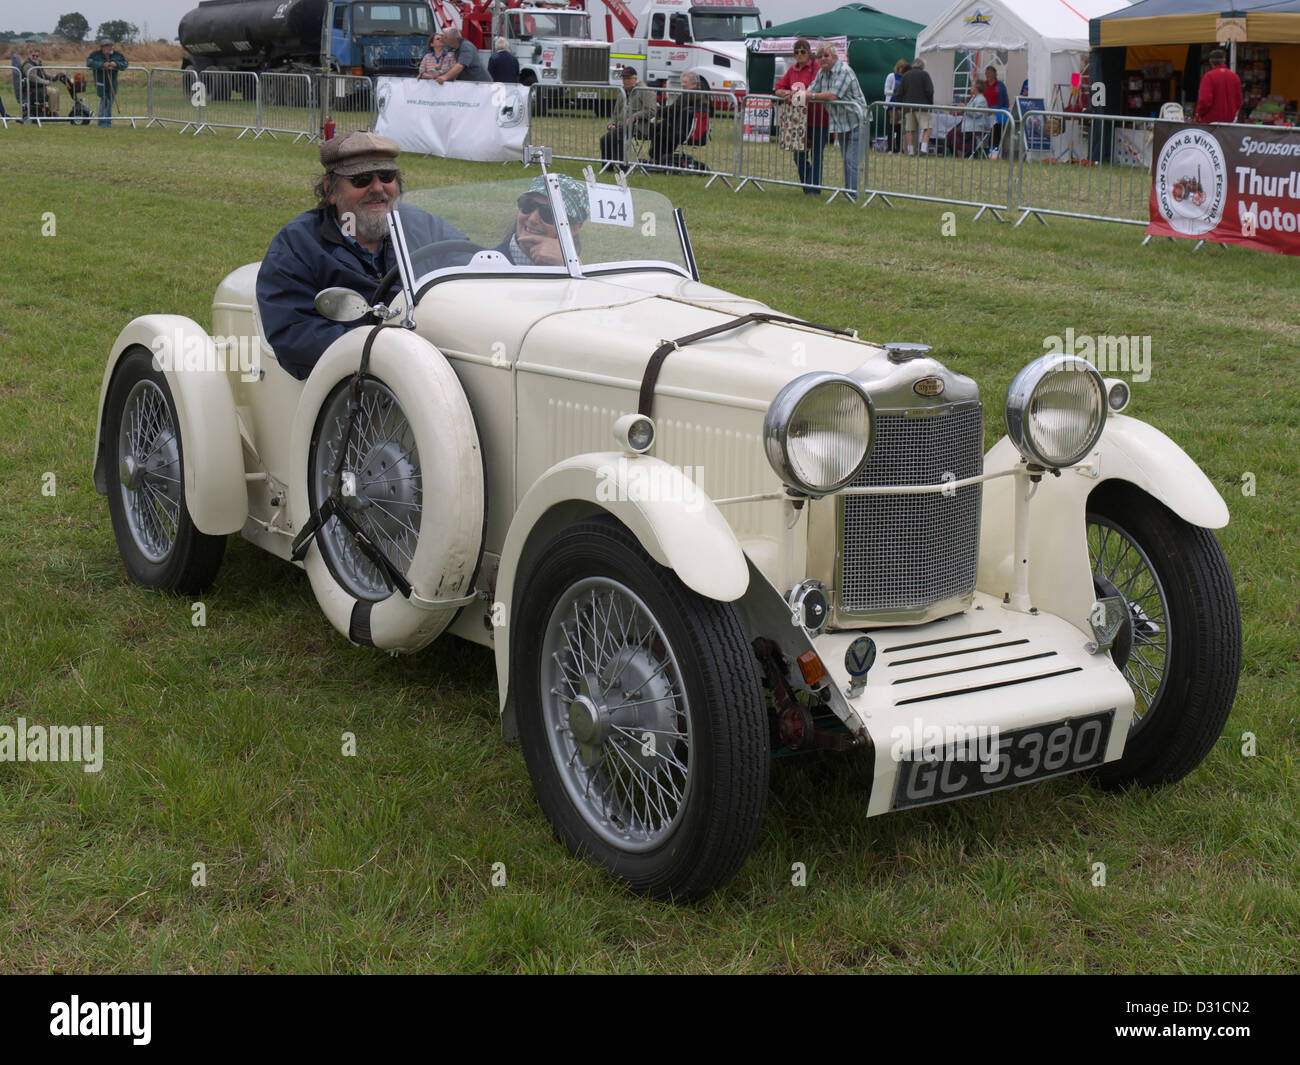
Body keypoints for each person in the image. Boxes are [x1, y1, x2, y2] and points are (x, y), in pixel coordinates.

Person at [255, 132, 468, 380]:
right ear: (330, 190)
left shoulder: (425, 227)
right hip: (351, 393)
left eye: (387, 177)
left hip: (438, 373)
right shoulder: (297, 245)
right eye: (361, 179)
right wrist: (383, 347)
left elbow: (470, 272)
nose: (377, 188)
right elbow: (293, 335)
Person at [808, 43, 867, 201]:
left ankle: (852, 195)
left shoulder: (844, 71)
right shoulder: (822, 73)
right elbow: (811, 88)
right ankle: (849, 193)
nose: (822, 59)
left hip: (857, 122)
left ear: (834, 57)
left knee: (850, 161)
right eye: (820, 57)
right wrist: (795, 94)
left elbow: (832, 95)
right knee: (847, 161)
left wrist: (809, 96)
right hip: (841, 124)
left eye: (826, 56)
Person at [496, 174, 588, 266]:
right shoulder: (489, 267)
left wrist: (569, 264)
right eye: (528, 205)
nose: (532, 219)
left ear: (573, 229)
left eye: (548, 213)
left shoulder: (570, 267)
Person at [774, 38, 822, 193]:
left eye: (803, 51)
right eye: (796, 52)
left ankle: (812, 190)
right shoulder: (792, 70)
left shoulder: (816, 68)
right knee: (798, 156)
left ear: (809, 53)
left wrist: (793, 94)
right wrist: (787, 93)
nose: (799, 54)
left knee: (816, 155)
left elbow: (813, 89)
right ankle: (810, 185)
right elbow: (779, 88)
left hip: (818, 117)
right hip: (798, 119)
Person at [600, 66, 656, 166]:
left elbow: (651, 111)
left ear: (635, 79)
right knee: (605, 139)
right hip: (620, 126)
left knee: (612, 137)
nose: (626, 81)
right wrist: (612, 123)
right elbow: (615, 113)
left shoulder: (645, 91)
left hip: (638, 127)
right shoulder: (621, 93)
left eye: (629, 78)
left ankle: (623, 166)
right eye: (624, 78)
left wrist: (634, 117)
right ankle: (608, 166)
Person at [647, 71, 702, 169]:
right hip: (683, 127)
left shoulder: (689, 95)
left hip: (683, 130)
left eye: (685, 82)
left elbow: (674, 108)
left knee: (659, 133)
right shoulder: (698, 95)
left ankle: (657, 159)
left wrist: (659, 112)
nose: (682, 84)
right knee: (659, 129)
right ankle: (660, 159)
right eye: (682, 82)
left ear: (694, 84)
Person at [86, 37, 128, 128]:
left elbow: (125, 64)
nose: (108, 48)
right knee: (104, 101)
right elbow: (89, 63)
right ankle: (103, 123)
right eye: (105, 46)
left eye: (109, 46)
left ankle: (106, 122)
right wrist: (102, 65)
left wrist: (116, 64)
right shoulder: (95, 54)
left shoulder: (117, 55)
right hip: (101, 82)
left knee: (109, 102)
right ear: (101, 47)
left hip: (112, 83)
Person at [1195, 48, 1243, 124]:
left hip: (1211, 122)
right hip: (1230, 121)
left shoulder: (1208, 76)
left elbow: (1205, 101)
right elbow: (1239, 101)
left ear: (1210, 61)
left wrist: (1199, 114)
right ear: (1224, 60)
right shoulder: (1234, 76)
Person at [897, 57, 933, 154]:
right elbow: (929, 91)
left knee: (910, 130)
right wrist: (930, 104)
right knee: (928, 128)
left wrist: (899, 107)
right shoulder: (925, 75)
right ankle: (923, 148)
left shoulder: (905, 75)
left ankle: (910, 151)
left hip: (908, 107)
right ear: (923, 66)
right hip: (923, 106)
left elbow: (899, 93)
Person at [20, 47, 58, 120]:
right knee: (53, 91)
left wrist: (54, 77)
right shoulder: (28, 65)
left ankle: (52, 111)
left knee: (55, 90)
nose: (35, 57)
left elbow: (44, 74)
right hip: (31, 89)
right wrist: (46, 82)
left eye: (37, 56)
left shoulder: (38, 62)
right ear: (30, 55)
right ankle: (53, 112)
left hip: (38, 87)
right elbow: (33, 78)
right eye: (33, 55)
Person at [961, 77, 991, 156]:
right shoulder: (974, 98)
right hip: (969, 125)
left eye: (972, 86)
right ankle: (961, 155)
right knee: (952, 135)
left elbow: (976, 113)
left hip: (975, 126)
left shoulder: (981, 99)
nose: (971, 87)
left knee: (954, 136)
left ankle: (966, 155)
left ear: (977, 88)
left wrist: (965, 108)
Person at [982, 66, 1009, 151]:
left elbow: (1006, 101)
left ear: (994, 74)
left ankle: (995, 148)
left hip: (997, 113)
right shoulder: (983, 85)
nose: (987, 74)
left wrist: (1000, 110)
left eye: (989, 72)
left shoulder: (1000, 85)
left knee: (997, 127)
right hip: (985, 113)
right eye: (986, 73)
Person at [884, 58, 908, 152]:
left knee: (899, 129)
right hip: (891, 106)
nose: (901, 69)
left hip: (901, 107)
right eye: (900, 67)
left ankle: (898, 148)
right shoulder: (891, 76)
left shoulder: (906, 78)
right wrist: (896, 92)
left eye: (903, 68)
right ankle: (890, 148)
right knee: (891, 128)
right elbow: (886, 91)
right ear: (897, 68)